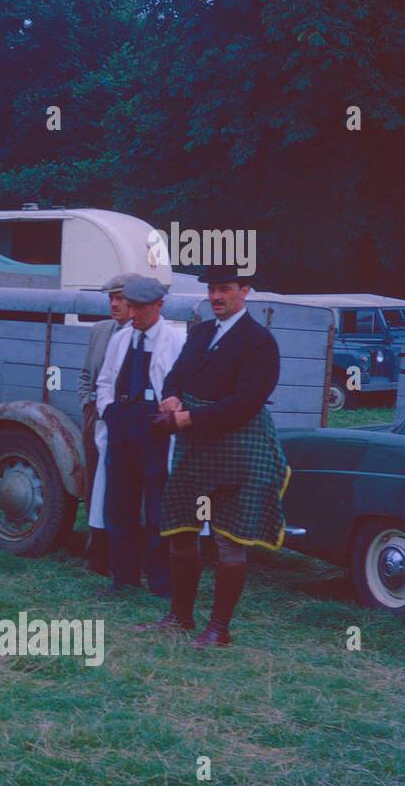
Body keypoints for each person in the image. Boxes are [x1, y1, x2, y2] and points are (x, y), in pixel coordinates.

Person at [138, 266, 289, 647]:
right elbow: (177, 374)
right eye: (212, 290)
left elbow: (246, 402)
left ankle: (219, 630)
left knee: (227, 538)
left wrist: (188, 418)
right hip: (195, 445)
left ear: (245, 291)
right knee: (181, 528)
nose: (217, 297)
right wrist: (171, 396)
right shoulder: (201, 331)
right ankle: (180, 617)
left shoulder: (259, 341)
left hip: (238, 446)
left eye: (225, 289)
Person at [94, 275, 185, 598]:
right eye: (129, 307)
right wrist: (109, 412)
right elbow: (104, 381)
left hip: (156, 433)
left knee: (159, 509)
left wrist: (168, 415)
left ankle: (161, 582)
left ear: (159, 306)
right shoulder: (121, 339)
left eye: (139, 308)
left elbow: (182, 387)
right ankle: (123, 578)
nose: (132, 314)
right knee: (119, 505)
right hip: (122, 429)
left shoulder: (175, 340)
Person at [78, 272, 137, 575]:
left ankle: (122, 553)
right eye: (111, 298)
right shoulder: (101, 330)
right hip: (97, 419)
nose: (114, 304)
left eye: (120, 298)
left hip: (127, 424)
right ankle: (95, 550)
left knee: (121, 486)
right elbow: (87, 374)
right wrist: (88, 407)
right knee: (94, 486)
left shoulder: (143, 334)